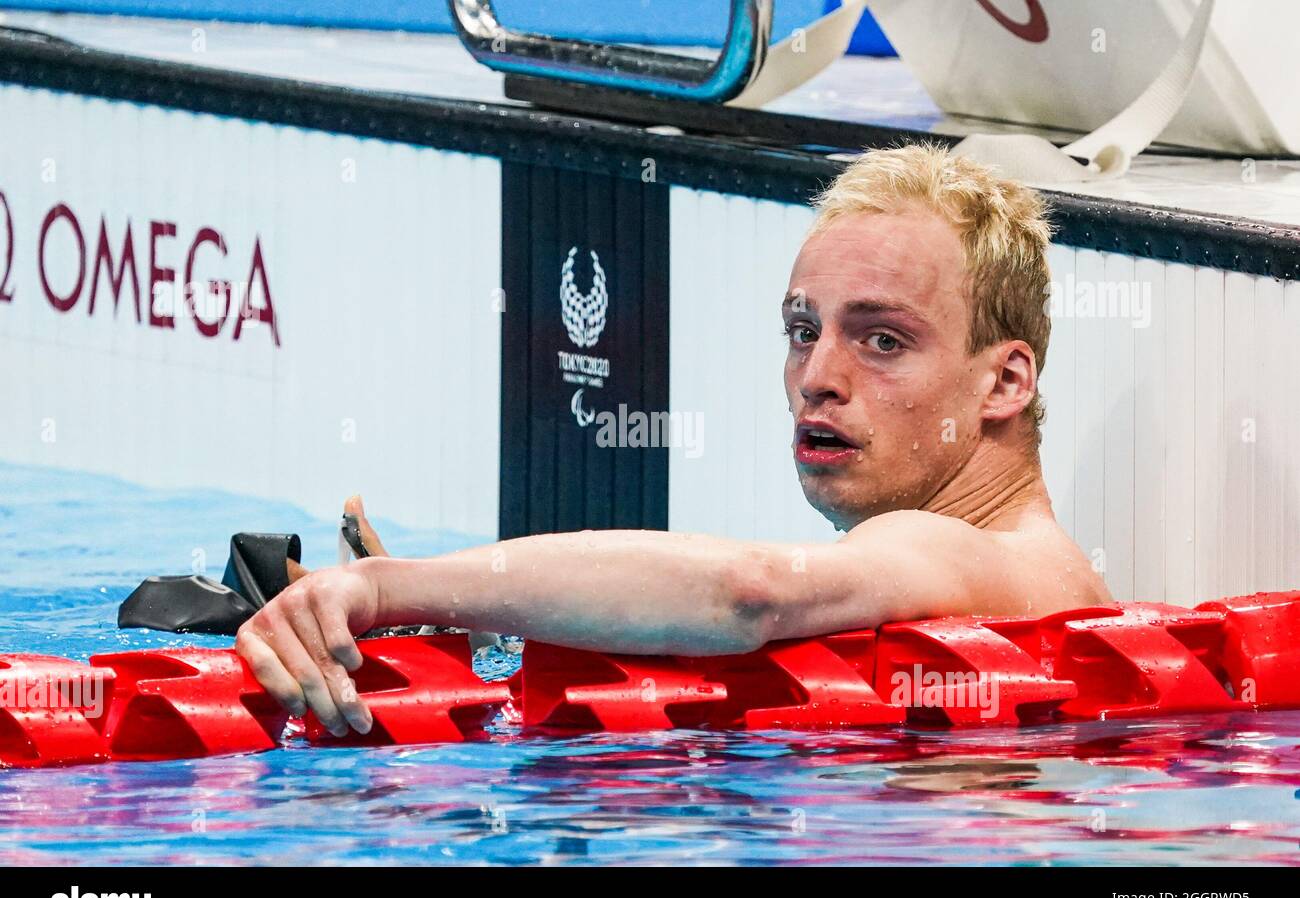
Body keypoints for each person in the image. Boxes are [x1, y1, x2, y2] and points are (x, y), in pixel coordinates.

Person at [236, 145, 1111, 737]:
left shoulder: (976, 553)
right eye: (803, 330)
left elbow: (745, 591)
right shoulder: (993, 575)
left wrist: (385, 589)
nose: (818, 376)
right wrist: (471, 622)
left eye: (882, 339)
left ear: (1004, 382)